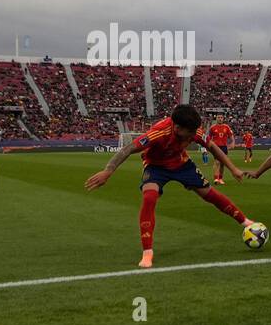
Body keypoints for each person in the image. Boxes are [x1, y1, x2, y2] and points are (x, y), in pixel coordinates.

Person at [84, 104, 260, 269]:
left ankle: (246, 222)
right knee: (149, 197)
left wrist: (233, 169)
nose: (193, 137)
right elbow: (128, 148)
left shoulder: (193, 130)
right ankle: (147, 252)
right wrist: (108, 171)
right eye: (189, 133)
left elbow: (212, 146)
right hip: (156, 166)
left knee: (209, 193)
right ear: (177, 128)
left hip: (181, 163)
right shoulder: (159, 132)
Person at [208, 115, 234, 184]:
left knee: (222, 164)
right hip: (216, 147)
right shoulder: (212, 127)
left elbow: (231, 136)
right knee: (217, 162)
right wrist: (208, 146)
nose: (220, 119)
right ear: (216, 119)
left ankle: (220, 178)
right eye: (218, 117)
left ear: (223, 119)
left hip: (224, 147)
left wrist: (233, 143)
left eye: (221, 117)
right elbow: (209, 138)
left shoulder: (226, 127)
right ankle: (216, 178)